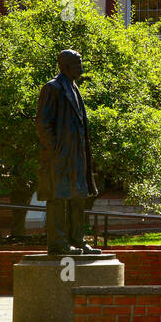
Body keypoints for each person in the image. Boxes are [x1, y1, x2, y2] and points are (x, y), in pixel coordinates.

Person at [35, 49, 101, 256]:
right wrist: (55, 150)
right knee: (58, 198)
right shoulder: (52, 88)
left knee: (78, 198)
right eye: (77, 63)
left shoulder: (74, 88)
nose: (81, 68)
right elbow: (43, 123)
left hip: (77, 155)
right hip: (60, 156)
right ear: (65, 66)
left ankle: (77, 241)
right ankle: (58, 244)